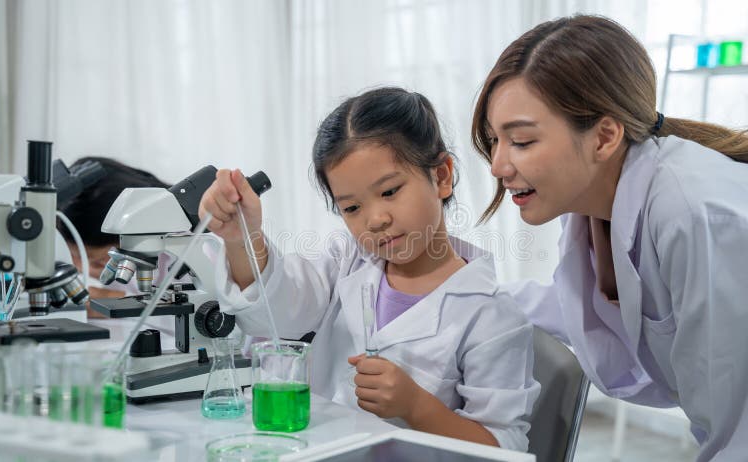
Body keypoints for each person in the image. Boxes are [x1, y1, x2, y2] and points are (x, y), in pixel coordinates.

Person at [472, 14, 748, 461]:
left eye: (522, 142)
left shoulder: (693, 217)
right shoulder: (597, 210)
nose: (498, 166)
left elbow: (743, 439)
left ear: (604, 136)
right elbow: (601, 315)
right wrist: (468, 293)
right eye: (493, 141)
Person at [200, 87, 539, 450]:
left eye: (390, 191)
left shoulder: (491, 316)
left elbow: (505, 449)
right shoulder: (346, 262)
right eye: (351, 208)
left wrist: (416, 406)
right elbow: (275, 313)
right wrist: (241, 238)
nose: (375, 220)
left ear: (441, 176)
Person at [58, 157, 171, 312]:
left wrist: (112, 301)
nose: (82, 269)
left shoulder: (193, 244)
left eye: (98, 262)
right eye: (74, 256)